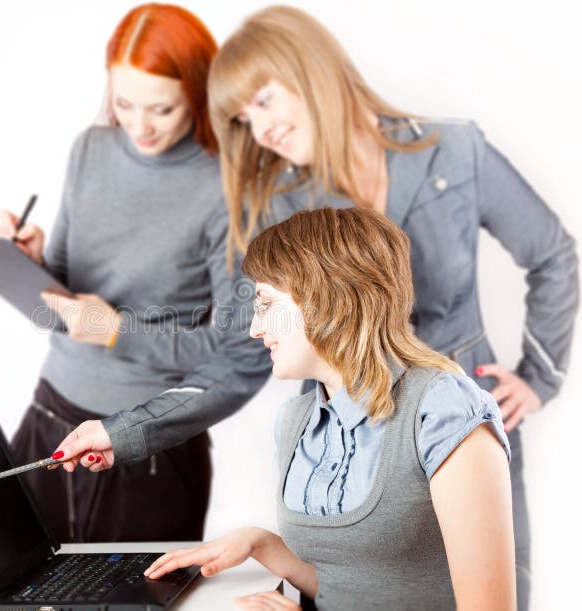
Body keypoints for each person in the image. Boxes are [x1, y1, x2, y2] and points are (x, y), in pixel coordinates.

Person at [196, 6, 577, 608]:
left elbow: (553, 254)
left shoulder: (454, 151)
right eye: (244, 120)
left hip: (450, 417)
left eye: (264, 100)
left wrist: (539, 377)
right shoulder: (282, 211)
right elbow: (228, 339)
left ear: (311, 70)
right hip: (355, 422)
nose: (260, 129)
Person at [145, 207, 516, 611]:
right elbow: (353, 586)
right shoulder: (297, 422)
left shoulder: (444, 410)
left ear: (327, 299)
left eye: (266, 304)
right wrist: (259, 542)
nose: (255, 328)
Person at [0, 3, 268, 542]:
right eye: (124, 103)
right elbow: (62, 309)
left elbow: (240, 349)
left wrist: (119, 331)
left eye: (161, 109)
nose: (139, 126)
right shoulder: (90, 149)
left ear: (197, 93)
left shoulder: (228, 188)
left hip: (147, 447)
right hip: (50, 420)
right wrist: (30, 267)